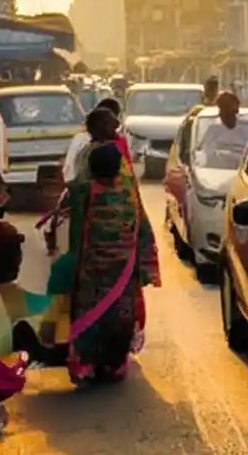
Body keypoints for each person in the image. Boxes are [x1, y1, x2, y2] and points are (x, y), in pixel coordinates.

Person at [51, 144, 159, 385]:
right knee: (120, 317)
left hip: (92, 270)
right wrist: (145, 264)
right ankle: (115, 363)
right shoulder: (129, 189)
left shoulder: (84, 190)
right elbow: (142, 225)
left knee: (89, 313)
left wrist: (72, 264)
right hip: (124, 272)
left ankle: (86, 363)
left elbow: (73, 225)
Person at [196, 93, 248, 165]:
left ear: (235, 112)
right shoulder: (213, 131)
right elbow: (205, 154)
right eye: (221, 110)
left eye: (226, 111)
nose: (221, 114)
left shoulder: (247, 133)